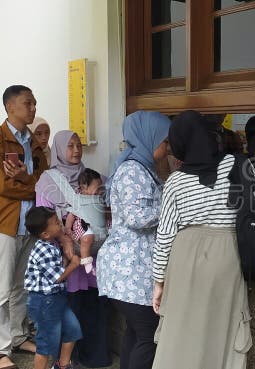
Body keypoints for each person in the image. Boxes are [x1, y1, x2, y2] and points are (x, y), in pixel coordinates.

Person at [151, 110, 255, 369]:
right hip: (228, 257)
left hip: (185, 259)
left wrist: (159, 282)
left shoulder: (175, 181)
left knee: (182, 330)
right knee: (221, 329)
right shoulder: (240, 166)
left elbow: (165, 235)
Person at [0, 85, 48, 369]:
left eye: (34, 103)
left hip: (28, 226)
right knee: (0, 288)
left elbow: (47, 181)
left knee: (20, 287)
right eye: (28, 103)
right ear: (10, 108)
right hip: (3, 225)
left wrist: (27, 180)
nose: (33, 108)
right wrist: (33, 185)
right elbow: (1, 186)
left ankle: (18, 336)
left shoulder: (34, 142)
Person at [97, 111, 171, 369]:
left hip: (133, 271)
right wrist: (173, 209)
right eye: (164, 141)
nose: (167, 146)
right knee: (148, 334)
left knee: (136, 332)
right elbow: (136, 216)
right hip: (128, 269)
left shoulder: (143, 168)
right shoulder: (133, 171)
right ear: (148, 139)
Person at [35, 130, 112, 367]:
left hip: (94, 256)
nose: (76, 150)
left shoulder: (93, 177)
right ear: (59, 149)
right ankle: (67, 361)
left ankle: (95, 357)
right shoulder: (48, 181)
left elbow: (107, 208)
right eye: (70, 146)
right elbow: (43, 220)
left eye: (78, 145)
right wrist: (66, 240)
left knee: (94, 308)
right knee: (70, 309)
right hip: (66, 257)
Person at [24, 206, 82, 369]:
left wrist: (64, 258)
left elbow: (57, 269)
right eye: (56, 222)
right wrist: (74, 264)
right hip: (44, 302)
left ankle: (62, 365)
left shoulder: (52, 243)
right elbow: (57, 278)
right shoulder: (43, 249)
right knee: (46, 342)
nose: (60, 224)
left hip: (57, 298)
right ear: (45, 234)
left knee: (73, 330)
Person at [64, 168, 105, 275]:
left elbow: (103, 213)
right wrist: (68, 228)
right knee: (88, 238)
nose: (99, 191)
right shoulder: (79, 199)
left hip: (99, 228)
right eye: (97, 188)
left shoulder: (99, 198)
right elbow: (71, 215)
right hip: (84, 226)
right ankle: (86, 261)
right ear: (83, 189)